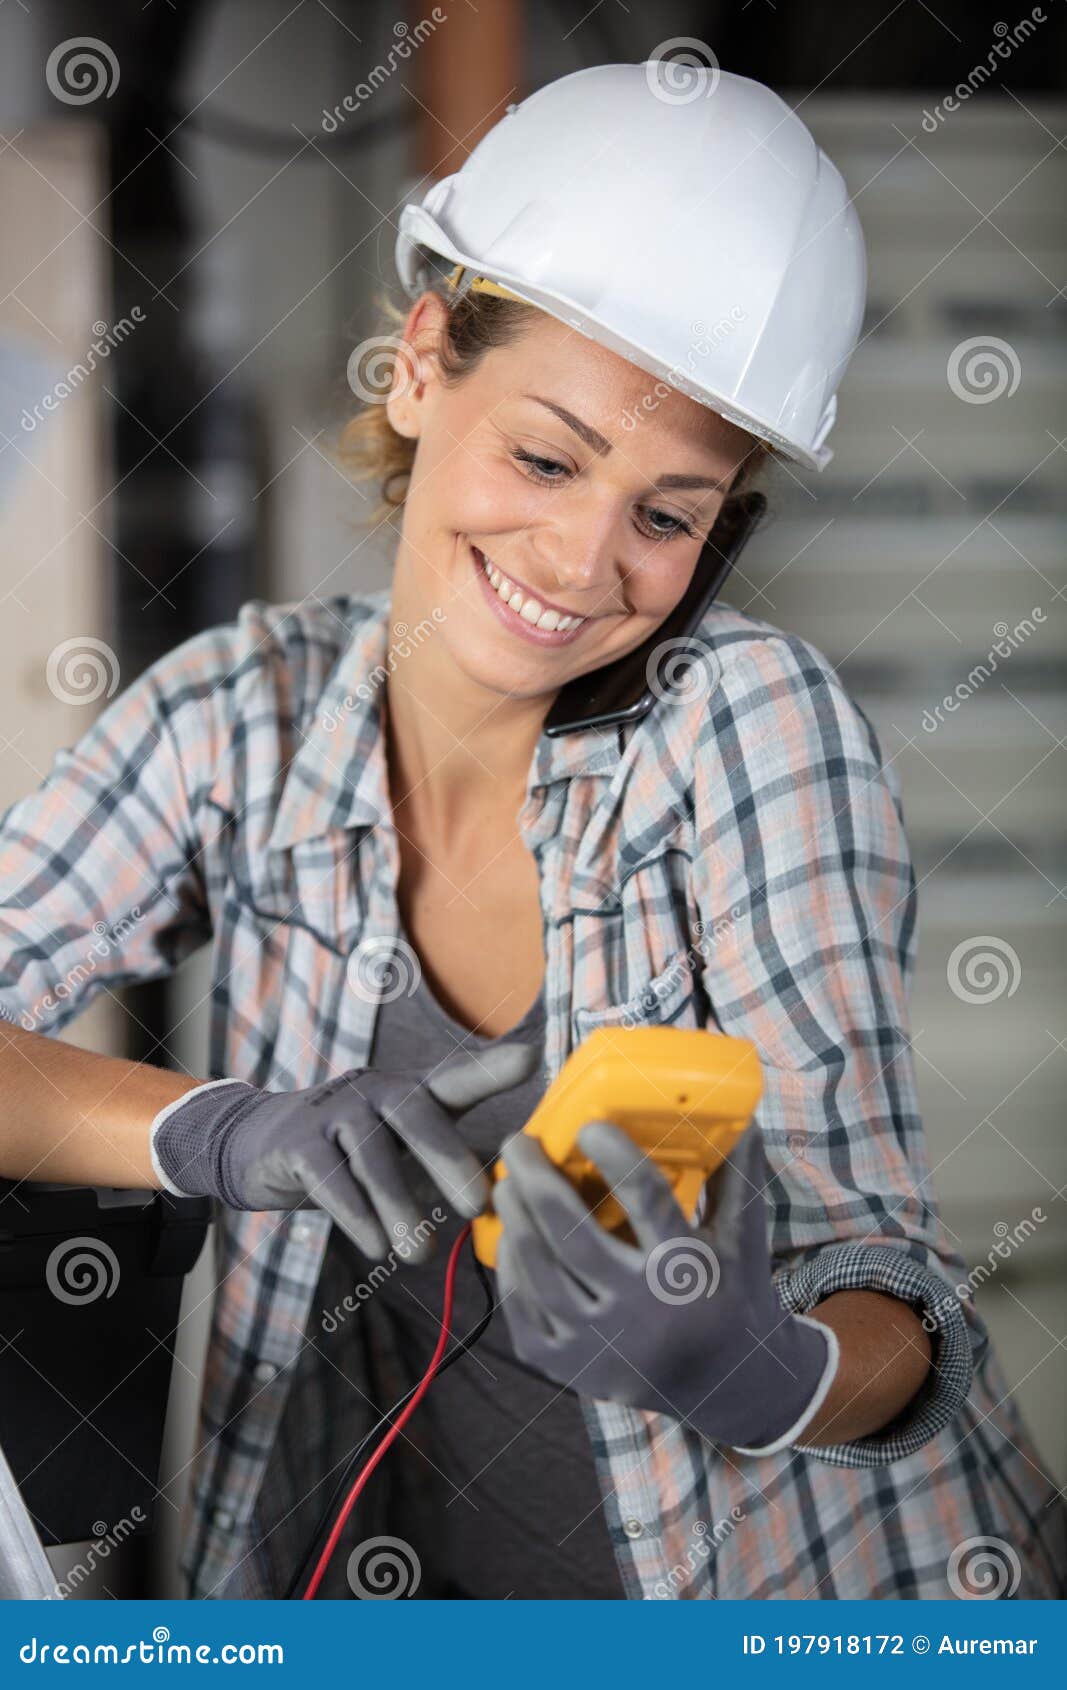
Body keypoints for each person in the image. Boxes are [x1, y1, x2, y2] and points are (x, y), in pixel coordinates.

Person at [0, 62, 1063, 1602]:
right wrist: (224, 1131)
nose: (581, 558)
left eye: (667, 511)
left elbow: (887, 1293)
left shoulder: (745, 733)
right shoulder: (238, 717)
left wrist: (760, 1368)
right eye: (548, 456)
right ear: (424, 364)